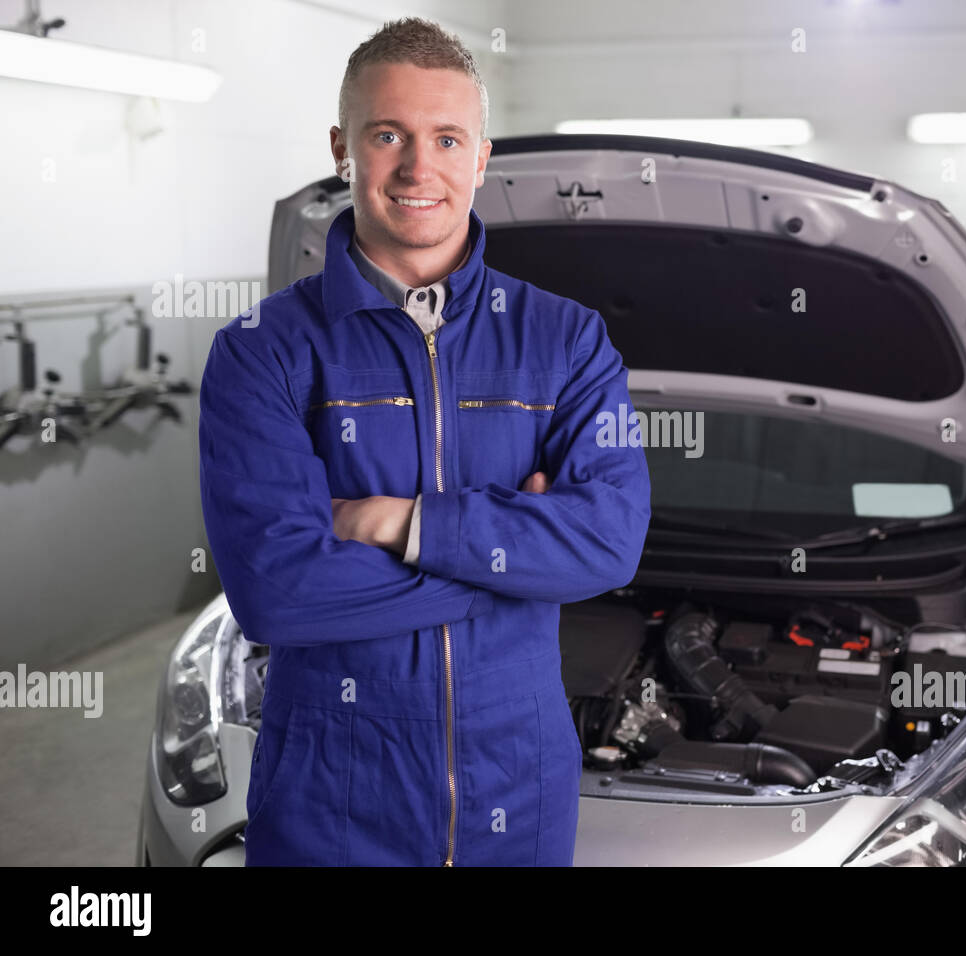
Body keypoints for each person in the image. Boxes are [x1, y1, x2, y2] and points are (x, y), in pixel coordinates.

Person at [198, 17, 651, 866]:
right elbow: (276, 591)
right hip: (329, 799)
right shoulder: (262, 349)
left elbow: (611, 541)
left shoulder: (566, 340)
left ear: (481, 156)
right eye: (387, 135)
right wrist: (513, 565)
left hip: (518, 789)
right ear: (343, 148)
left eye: (446, 137)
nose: (418, 167)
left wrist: (397, 523)